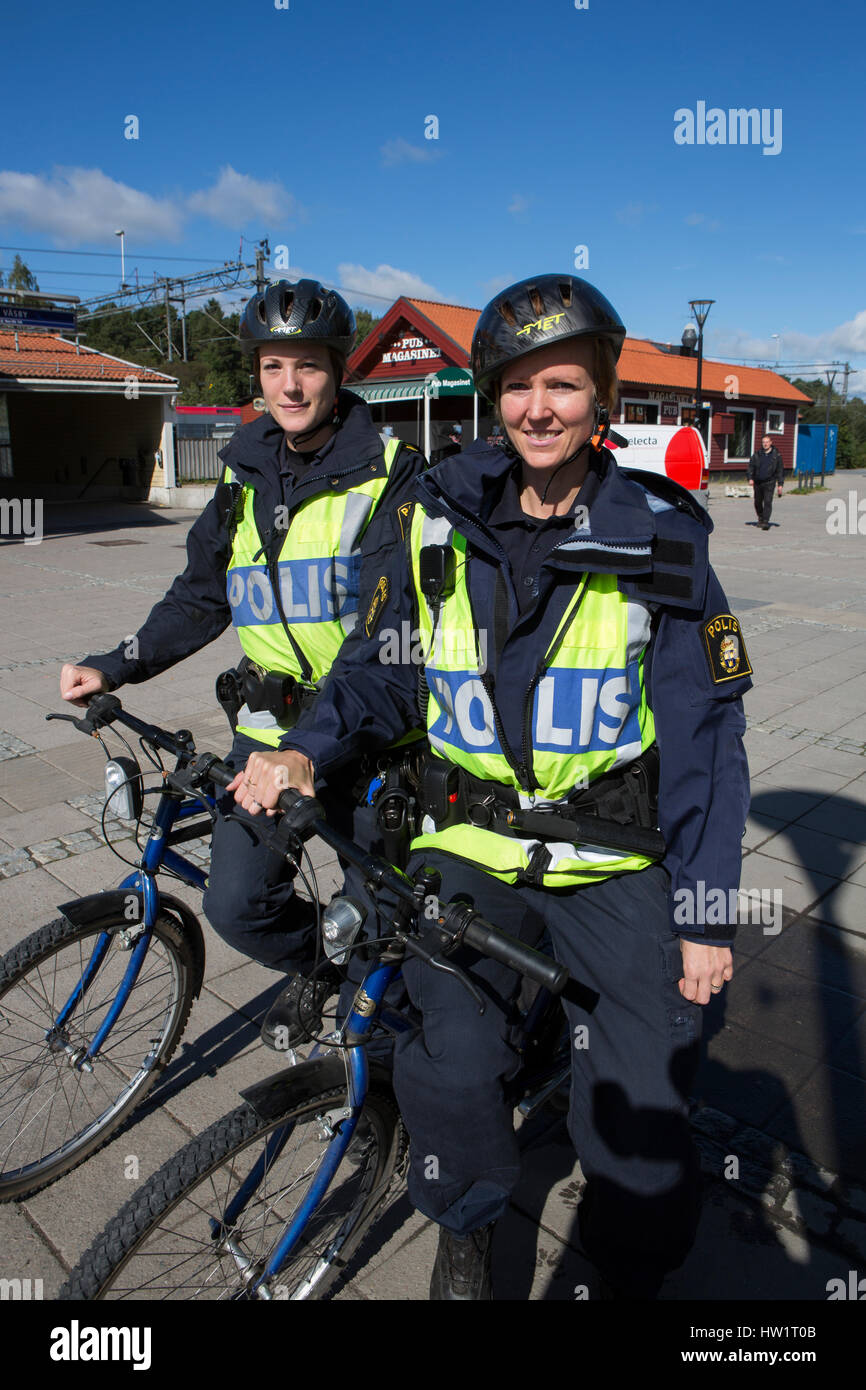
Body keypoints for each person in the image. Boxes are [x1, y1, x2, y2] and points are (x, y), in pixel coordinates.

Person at [235, 274, 752, 1300]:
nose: (537, 408)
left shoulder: (663, 536)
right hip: (466, 842)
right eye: (516, 387)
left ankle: (627, 1258)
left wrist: (703, 913)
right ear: (490, 396)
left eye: (562, 384)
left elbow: (705, 737)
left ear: (600, 395)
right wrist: (307, 746)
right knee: (446, 1060)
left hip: (608, 856)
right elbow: (380, 669)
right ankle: (466, 1219)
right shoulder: (435, 514)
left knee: (643, 1107)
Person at [60, 278, 426, 1047]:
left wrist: (309, 751)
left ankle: (370, 1087)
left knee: (376, 923)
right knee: (235, 904)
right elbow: (201, 595)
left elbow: (386, 643)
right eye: (271, 366)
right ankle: (320, 967)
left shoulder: (390, 472)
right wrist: (119, 664)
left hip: (366, 735)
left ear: (339, 370)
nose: (289, 386)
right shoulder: (241, 470)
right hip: (267, 730)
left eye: (309, 366)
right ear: (255, 373)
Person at [747, 434, 784, 529]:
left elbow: (780, 471)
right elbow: (751, 467)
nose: (765, 444)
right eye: (763, 442)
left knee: (768, 501)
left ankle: (765, 521)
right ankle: (760, 517)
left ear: (771, 443)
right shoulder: (757, 455)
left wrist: (780, 485)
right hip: (758, 482)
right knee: (757, 502)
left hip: (770, 482)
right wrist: (750, 478)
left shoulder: (776, 456)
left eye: (767, 442)